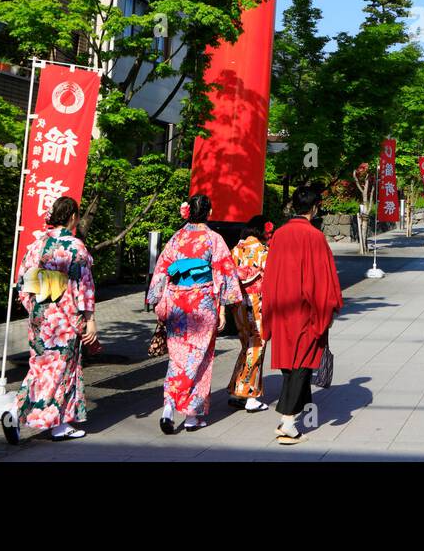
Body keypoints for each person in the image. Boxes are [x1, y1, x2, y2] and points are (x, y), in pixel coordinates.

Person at [147, 194, 242, 434]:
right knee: (199, 359)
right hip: (202, 304)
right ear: (209, 213)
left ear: (188, 212)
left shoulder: (177, 237)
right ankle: (191, 415)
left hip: (177, 303)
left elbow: (161, 270)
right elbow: (224, 275)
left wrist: (156, 299)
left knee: (178, 358)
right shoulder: (213, 239)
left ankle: (168, 406)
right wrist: (223, 308)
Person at [9, 196, 95, 442]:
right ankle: (56, 425)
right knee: (61, 369)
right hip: (65, 318)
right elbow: (84, 286)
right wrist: (89, 319)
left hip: (40, 316)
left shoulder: (38, 244)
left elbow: (23, 282)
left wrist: (35, 307)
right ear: (72, 217)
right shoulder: (75, 247)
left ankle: (19, 413)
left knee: (40, 366)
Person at [262, 186, 343, 445]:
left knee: (291, 364)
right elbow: (323, 279)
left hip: (281, 307)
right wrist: (328, 309)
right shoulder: (314, 237)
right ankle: (287, 422)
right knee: (301, 364)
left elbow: (270, 276)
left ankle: (293, 415)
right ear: (315, 207)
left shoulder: (279, 235)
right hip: (305, 312)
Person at [228, 215, 272, 413]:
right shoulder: (264, 252)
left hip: (238, 304)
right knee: (257, 345)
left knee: (246, 345)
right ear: (262, 231)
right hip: (256, 303)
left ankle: (236, 391)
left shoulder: (235, 250)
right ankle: (250, 396)